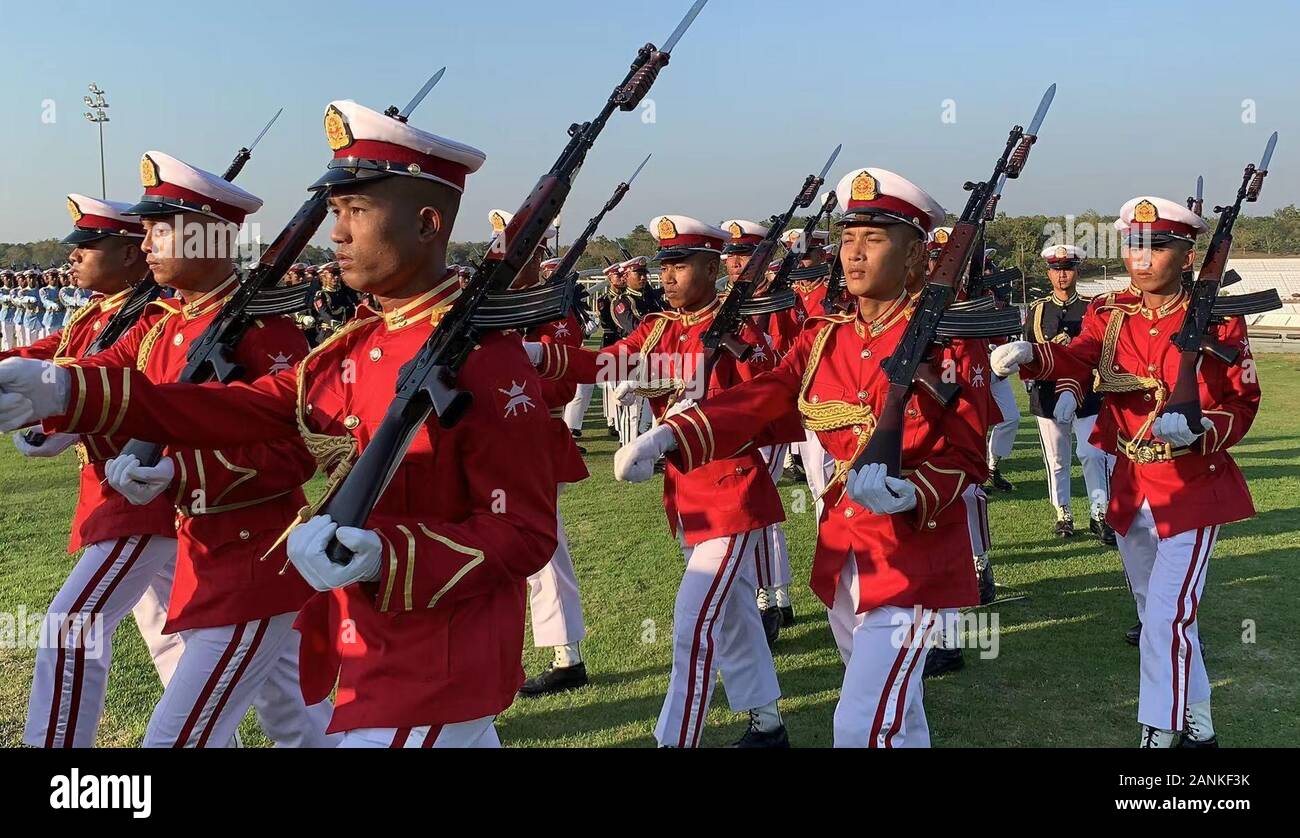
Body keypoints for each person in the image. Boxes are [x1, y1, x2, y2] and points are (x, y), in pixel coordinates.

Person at [0, 98, 560, 748]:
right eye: (336, 212)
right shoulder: (350, 348)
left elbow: (523, 531)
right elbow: (240, 406)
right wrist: (66, 387)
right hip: (370, 652)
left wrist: (390, 553)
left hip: (438, 664)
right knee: (293, 722)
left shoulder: (488, 363)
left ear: (428, 222)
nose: (339, 233)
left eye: (357, 212)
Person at [613, 169, 987, 747]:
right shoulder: (826, 338)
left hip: (916, 559)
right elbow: (762, 399)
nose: (854, 253)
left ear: (916, 256)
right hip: (844, 552)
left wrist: (916, 490)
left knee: (860, 722)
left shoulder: (948, 336)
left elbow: (968, 453)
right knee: (897, 715)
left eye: (875, 238)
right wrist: (672, 435)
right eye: (848, 237)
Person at [992, 195, 1260, 748]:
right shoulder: (1111, 312)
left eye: (1157, 246)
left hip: (1191, 487)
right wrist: (1033, 356)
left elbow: (1243, 399)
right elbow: (1081, 357)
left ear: (1187, 256)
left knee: (1167, 617)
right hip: (1131, 483)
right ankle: (1200, 723)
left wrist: (1203, 428)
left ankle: (1159, 729)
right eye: (1133, 245)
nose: (1141, 257)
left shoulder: (1219, 318)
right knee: (1156, 613)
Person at [526, 214, 792, 747]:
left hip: (733, 494)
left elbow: (767, 406)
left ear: (713, 267)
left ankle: (674, 739)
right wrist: (538, 354)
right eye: (663, 264)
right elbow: (606, 364)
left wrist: (685, 393)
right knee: (736, 615)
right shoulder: (660, 327)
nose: (667, 276)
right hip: (689, 496)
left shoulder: (742, 330)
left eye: (680, 264)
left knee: (692, 627)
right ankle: (768, 724)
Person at [1026, 244, 1116, 541]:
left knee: (1092, 454)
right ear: (1048, 272)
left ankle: (1099, 511)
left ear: (1077, 271)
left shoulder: (1091, 308)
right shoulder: (1039, 309)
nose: (1061, 275)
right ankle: (1063, 513)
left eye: (1067, 268)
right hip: (1049, 395)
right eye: (1056, 269)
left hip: (1088, 394)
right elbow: (1032, 351)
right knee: (1057, 459)